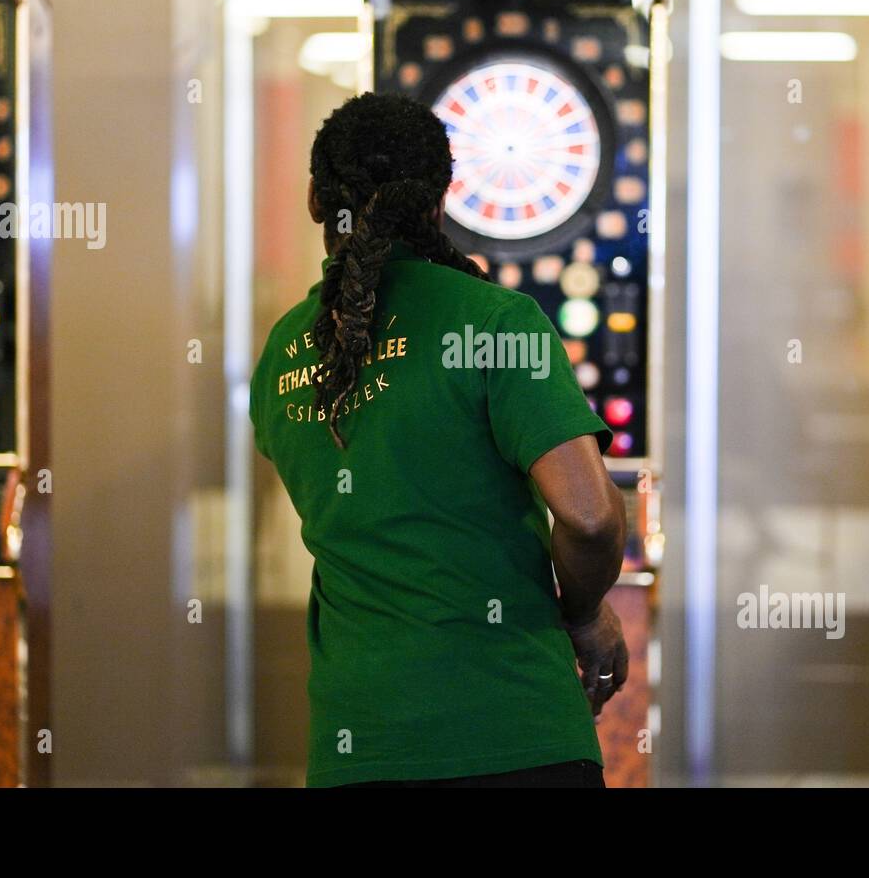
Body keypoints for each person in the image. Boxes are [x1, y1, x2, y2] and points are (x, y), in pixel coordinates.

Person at [250, 92, 628, 788]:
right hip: (517, 737)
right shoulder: (495, 322)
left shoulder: (281, 354)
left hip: (358, 749)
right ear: (441, 198)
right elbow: (590, 514)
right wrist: (584, 614)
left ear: (313, 200)